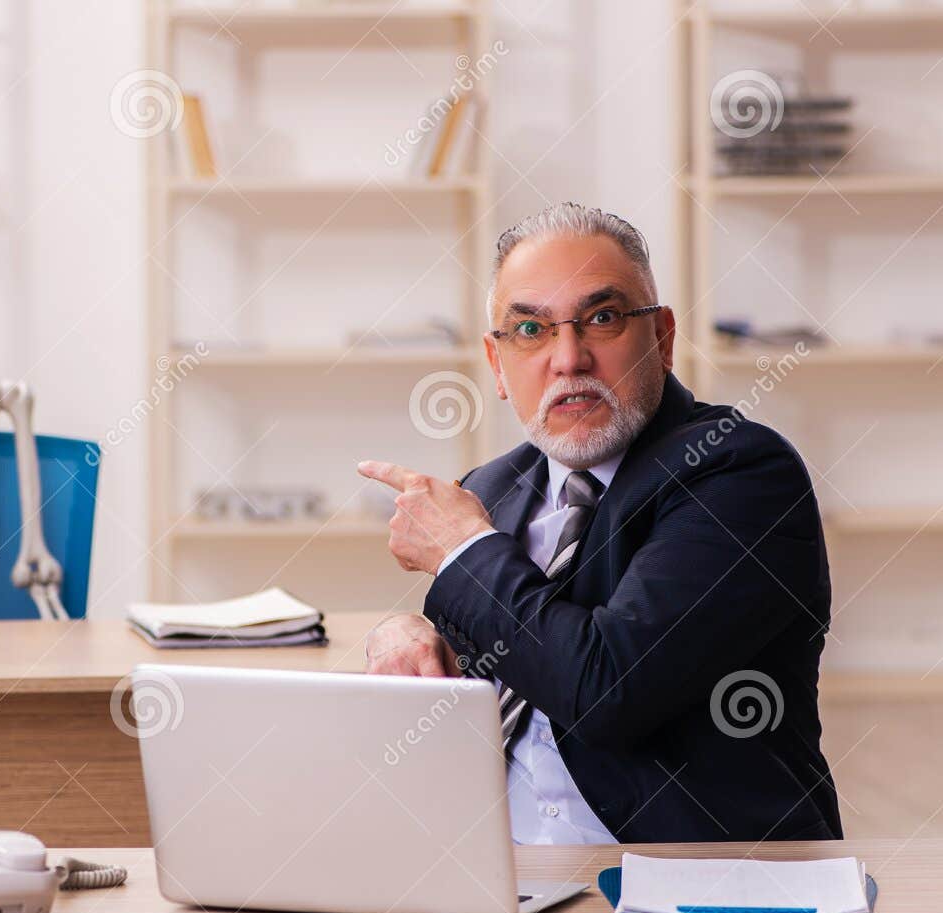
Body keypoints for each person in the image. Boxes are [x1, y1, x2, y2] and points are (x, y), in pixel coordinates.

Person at [358, 202, 840, 844]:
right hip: (498, 870)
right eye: (529, 330)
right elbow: (497, 642)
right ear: (497, 365)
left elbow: (607, 690)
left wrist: (461, 552)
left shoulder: (742, 472)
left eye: (603, 319)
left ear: (663, 339)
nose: (568, 358)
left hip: (692, 888)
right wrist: (404, 631)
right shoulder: (489, 490)